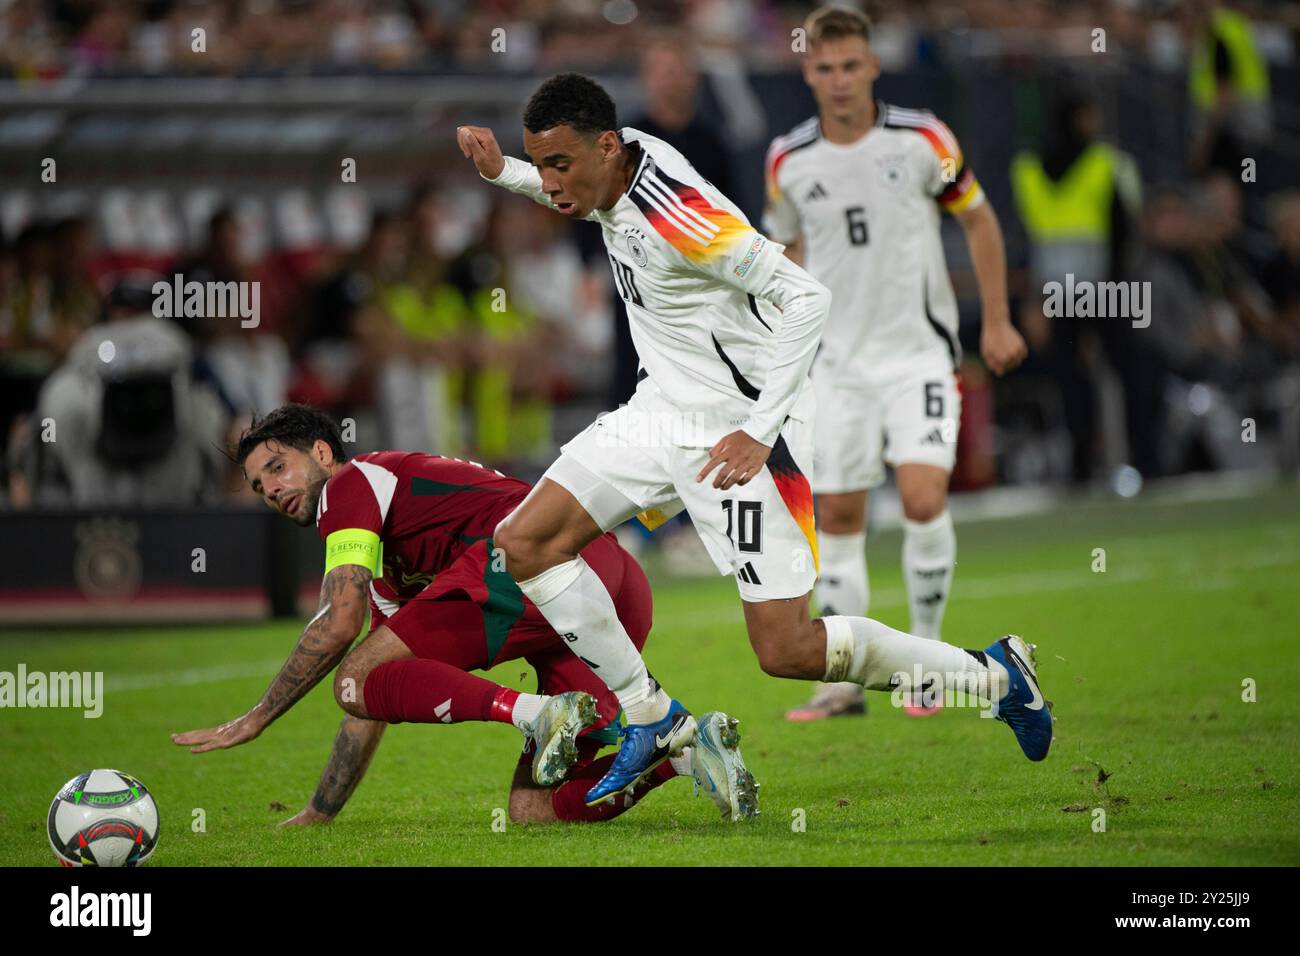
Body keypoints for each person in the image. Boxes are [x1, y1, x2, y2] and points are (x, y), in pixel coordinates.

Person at [455, 72, 1054, 807]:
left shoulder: (685, 218)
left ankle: (992, 675)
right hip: (660, 411)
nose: (551, 183)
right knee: (526, 542)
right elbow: (583, 194)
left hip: (736, 435)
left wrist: (758, 432)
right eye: (539, 165)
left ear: (608, 147)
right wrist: (503, 174)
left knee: (787, 649)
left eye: (558, 165)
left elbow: (807, 297)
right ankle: (650, 714)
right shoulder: (613, 169)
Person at [171, 404, 756, 824]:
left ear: (322, 453)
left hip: (533, 566)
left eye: (277, 468)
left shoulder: (348, 486)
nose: (272, 491)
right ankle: (683, 754)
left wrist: (256, 717)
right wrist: (319, 813)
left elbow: (339, 625)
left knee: (353, 675)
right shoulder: (387, 558)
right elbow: (378, 692)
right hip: (611, 582)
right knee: (534, 811)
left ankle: (534, 712)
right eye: (257, 487)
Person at [764, 6, 1028, 720]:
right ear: (808, 71)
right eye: (826, 68)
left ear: (874, 66)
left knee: (921, 499)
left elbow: (977, 216)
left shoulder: (922, 140)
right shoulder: (789, 159)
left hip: (918, 356)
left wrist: (997, 319)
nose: (840, 81)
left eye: (852, 66)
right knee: (842, 517)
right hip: (837, 367)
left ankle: (930, 665)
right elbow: (785, 252)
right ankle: (846, 683)